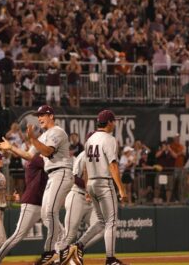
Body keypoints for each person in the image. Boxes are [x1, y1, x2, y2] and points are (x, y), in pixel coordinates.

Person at [0, 105, 73, 265]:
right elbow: (29, 155)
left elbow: (48, 152)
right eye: (38, 115)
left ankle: (52, 251)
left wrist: (32, 139)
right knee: (46, 214)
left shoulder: (57, 132)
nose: (40, 118)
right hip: (53, 175)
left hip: (62, 172)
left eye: (43, 115)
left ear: (51, 116)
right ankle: (63, 249)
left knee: (49, 212)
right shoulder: (43, 136)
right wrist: (12, 148)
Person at [71, 110, 127, 265]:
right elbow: (113, 165)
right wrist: (121, 188)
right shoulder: (109, 139)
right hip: (104, 182)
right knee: (111, 222)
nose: (114, 124)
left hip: (91, 184)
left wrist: (88, 187)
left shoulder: (90, 140)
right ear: (109, 122)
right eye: (113, 121)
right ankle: (110, 259)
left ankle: (78, 245)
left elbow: (86, 169)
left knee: (102, 221)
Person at [61, 147, 102, 258]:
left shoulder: (99, 157)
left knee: (101, 227)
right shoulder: (83, 156)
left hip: (90, 199)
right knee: (69, 235)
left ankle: (78, 247)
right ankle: (55, 258)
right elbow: (74, 177)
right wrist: (88, 187)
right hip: (77, 196)